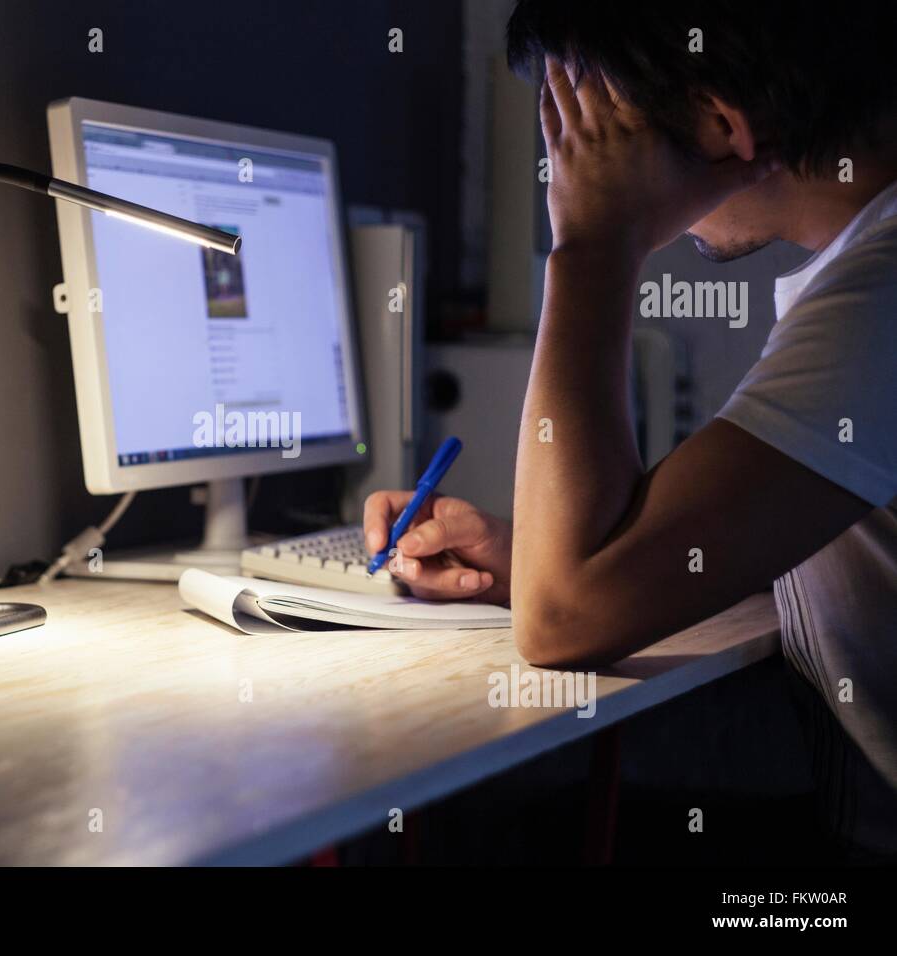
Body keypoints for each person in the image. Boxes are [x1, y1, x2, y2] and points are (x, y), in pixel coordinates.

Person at [365, 0, 897, 856]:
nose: (573, 163)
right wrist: (528, 559)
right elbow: (765, 552)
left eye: (592, 129)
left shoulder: (878, 300)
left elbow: (560, 624)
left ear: (720, 122)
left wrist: (590, 245)